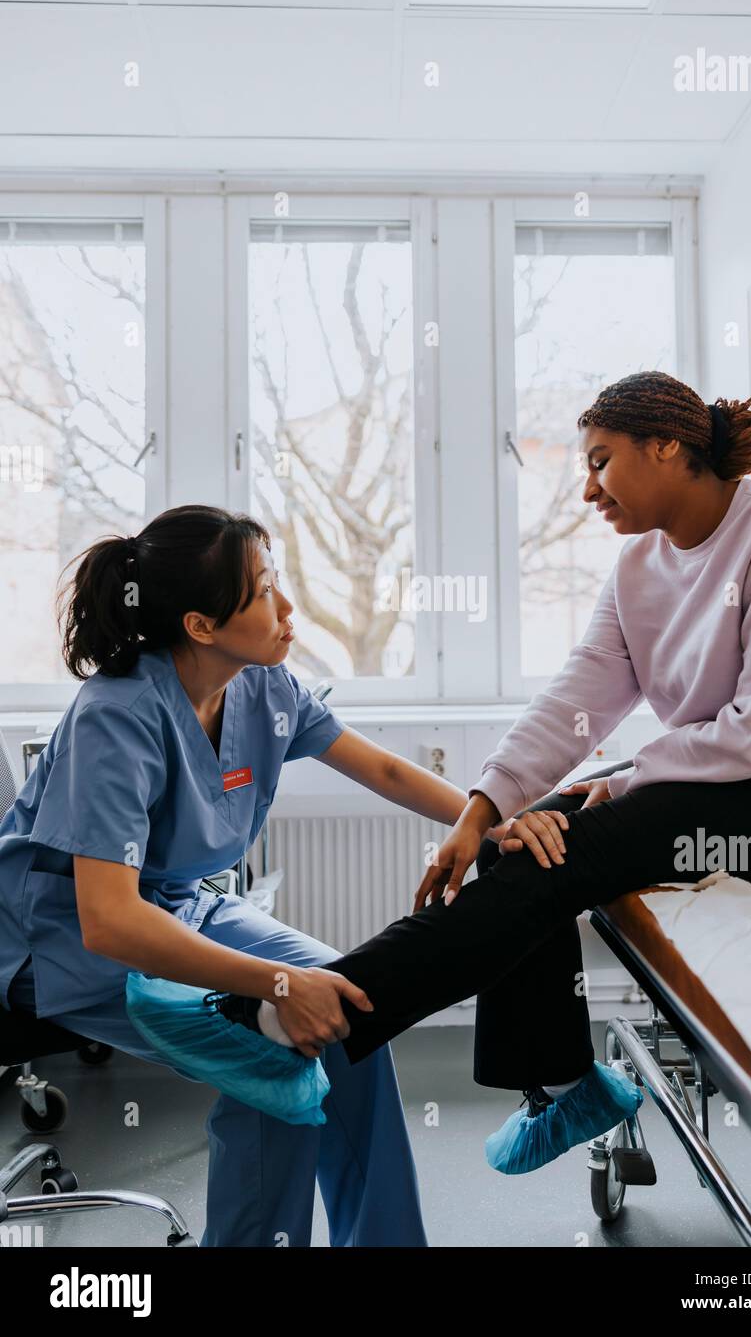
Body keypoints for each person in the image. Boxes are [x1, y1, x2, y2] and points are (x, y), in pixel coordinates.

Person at [170, 369, 751, 1178]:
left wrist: (632, 780)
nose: (588, 490)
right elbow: (579, 694)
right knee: (521, 843)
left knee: (588, 836)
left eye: (602, 462)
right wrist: (484, 806)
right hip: (732, 785)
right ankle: (564, 1089)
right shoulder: (641, 566)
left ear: (668, 447)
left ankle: (288, 1020)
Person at [0, 503, 542, 1246]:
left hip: (180, 906)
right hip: (62, 939)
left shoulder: (261, 685)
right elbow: (110, 921)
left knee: (353, 1006)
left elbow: (380, 766)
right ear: (200, 625)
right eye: (262, 592)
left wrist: (487, 823)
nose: (287, 609)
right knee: (276, 1044)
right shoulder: (116, 716)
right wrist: (278, 984)